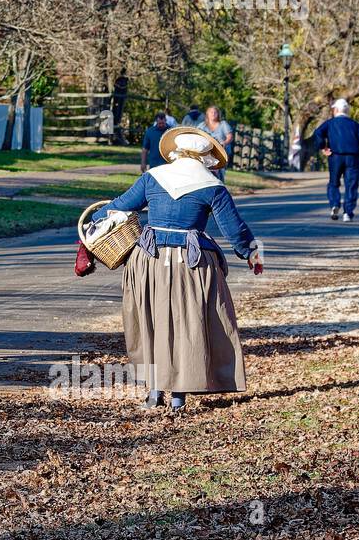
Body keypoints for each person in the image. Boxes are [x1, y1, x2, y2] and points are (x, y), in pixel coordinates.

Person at [87, 127, 262, 411]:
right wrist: (252, 253)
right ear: (205, 158)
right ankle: (179, 394)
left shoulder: (153, 177)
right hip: (190, 266)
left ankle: (155, 391)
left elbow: (117, 208)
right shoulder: (212, 186)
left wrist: (88, 228)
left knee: (153, 323)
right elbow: (234, 230)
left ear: (176, 153)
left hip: (149, 261)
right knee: (186, 325)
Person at [311, 98, 359, 221]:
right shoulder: (355, 125)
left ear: (337, 110)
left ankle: (334, 204)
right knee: (351, 185)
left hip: (335, 156)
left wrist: (323, 147)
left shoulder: (329, 123)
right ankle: (348, 213)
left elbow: (317, 133)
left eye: (333, 109)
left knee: (334, 183)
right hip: (353, 158)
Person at [201, 106, 235, 181]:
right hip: (206, 152)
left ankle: (220, 185)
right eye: (211, 112)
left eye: (215, 112)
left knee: (220, 171)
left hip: (221, 152)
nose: (213, 114)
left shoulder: (223, 124)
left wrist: (224, 143)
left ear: (218, 114)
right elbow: (196, 133)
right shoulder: (202, 125)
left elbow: (230, 136)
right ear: (207, 114)